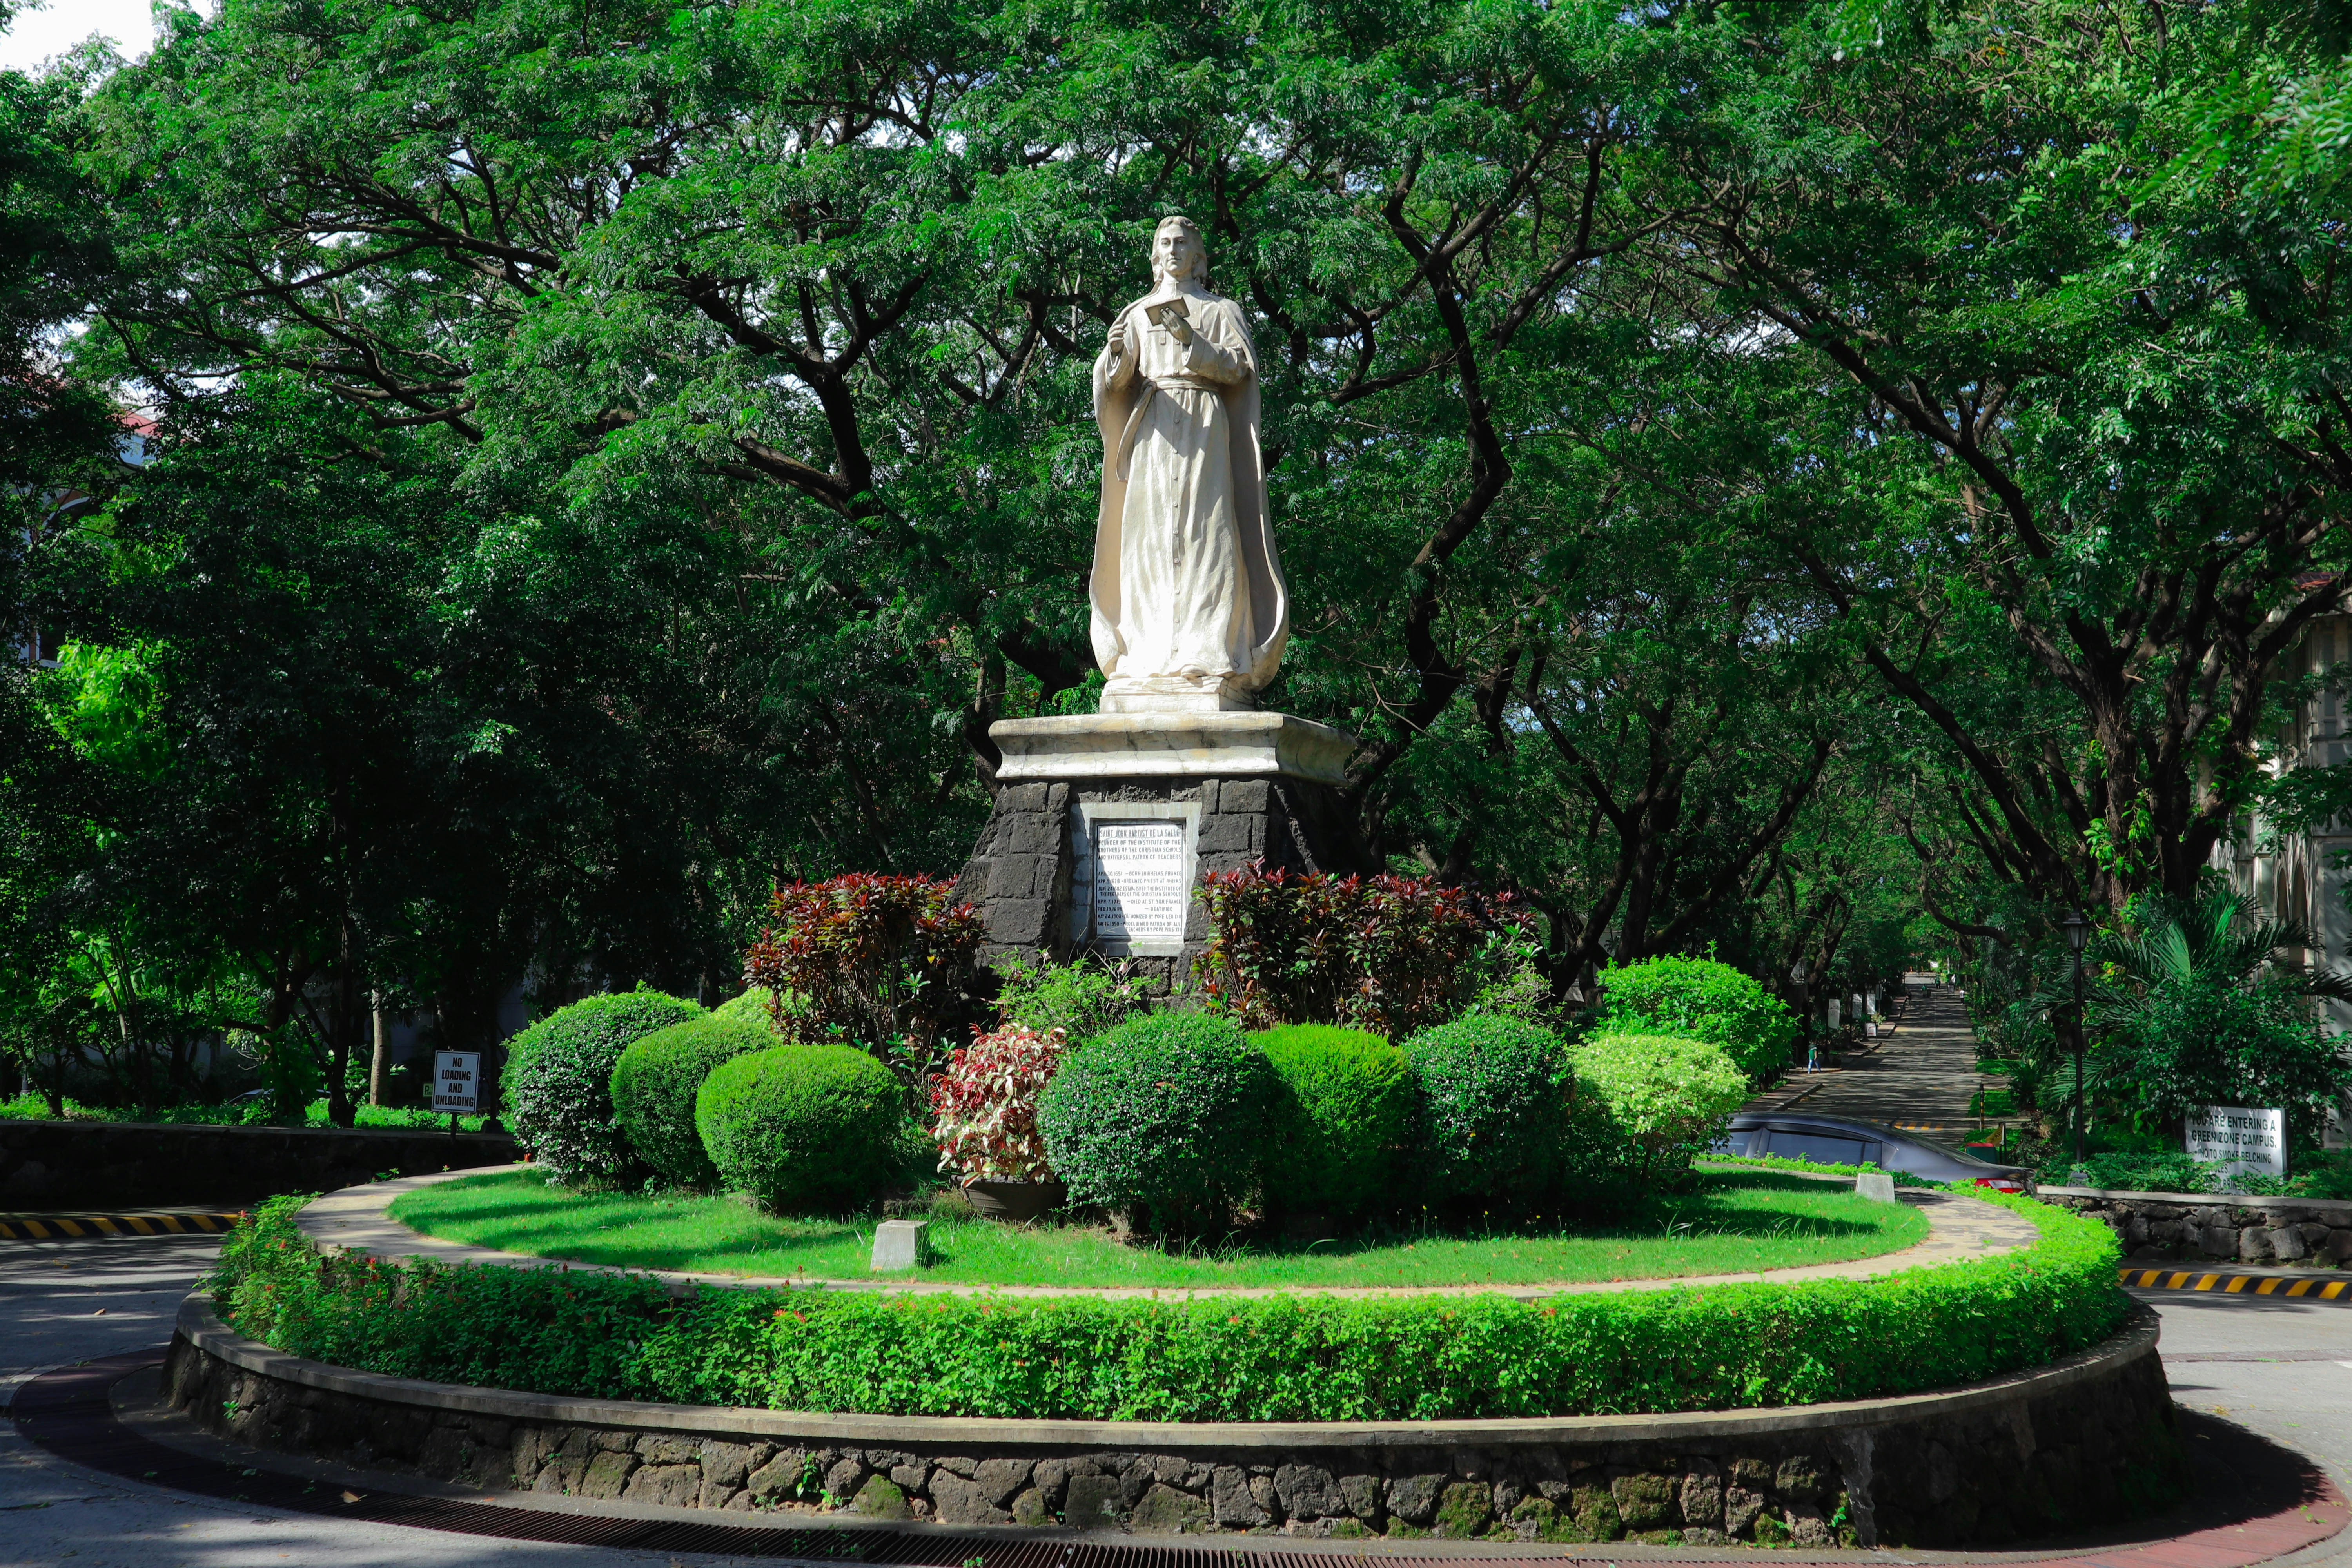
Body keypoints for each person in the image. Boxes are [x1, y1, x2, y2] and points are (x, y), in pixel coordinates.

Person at [1089, 216, 1288, 711]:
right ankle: (1147, 656)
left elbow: (1239, 367)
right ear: (1155, 257)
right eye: (1165, 243)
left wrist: (1190, 342)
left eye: (1183, 243)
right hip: (1152, 428)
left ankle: (1206, 653)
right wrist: (1115, 360)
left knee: (1208, 536)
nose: (1173, 250)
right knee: (1148, 539)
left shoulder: (1220, 310)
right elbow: (1113, 387)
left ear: (1198, 257)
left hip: (1203, 424)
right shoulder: (1134, 314)